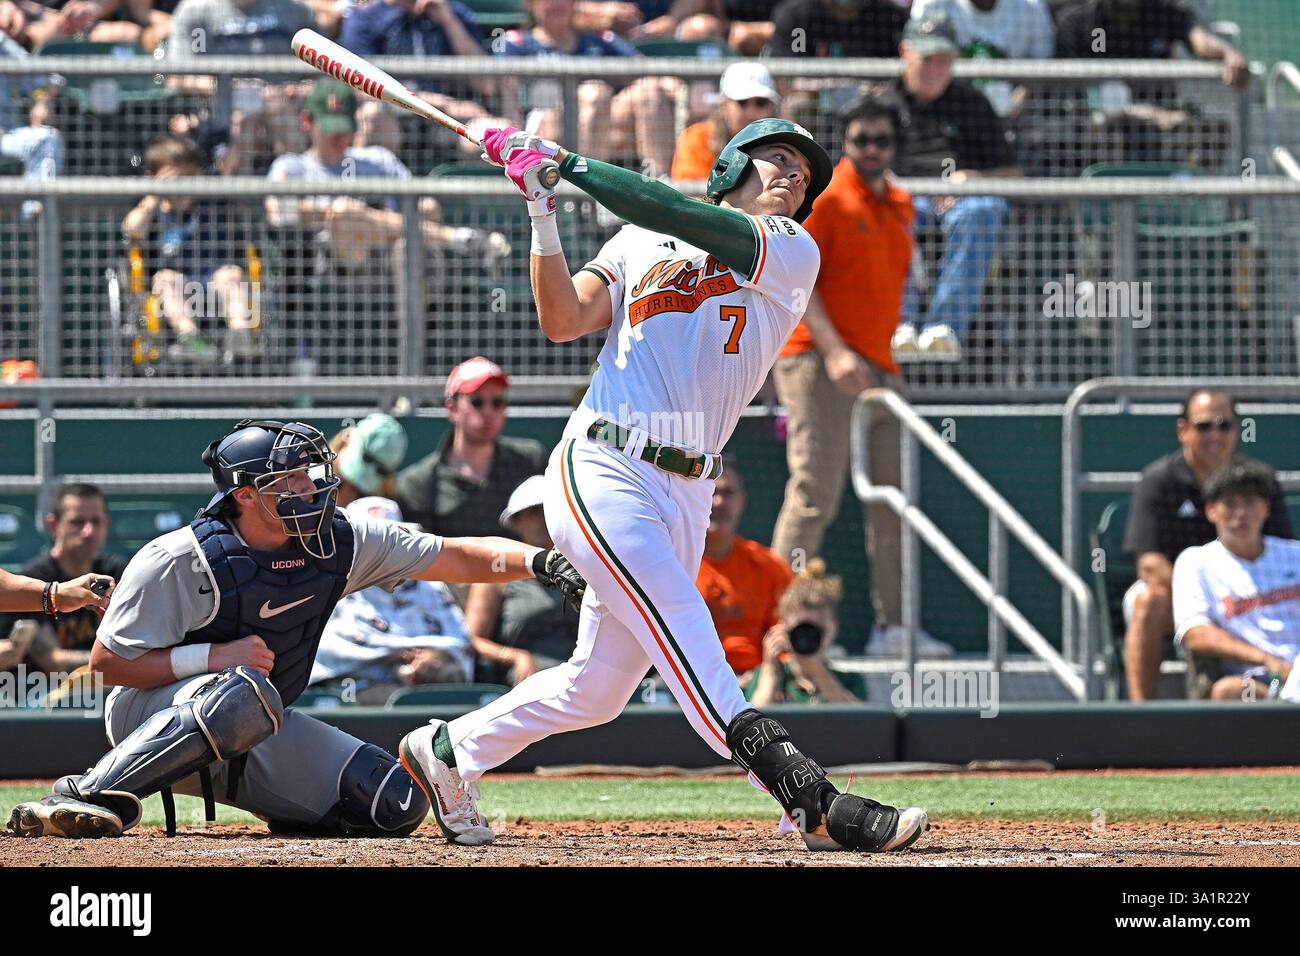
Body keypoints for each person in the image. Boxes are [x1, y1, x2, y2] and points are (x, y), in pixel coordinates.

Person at [395, 116, 928, 852]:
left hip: (690, 488)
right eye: (774, 159)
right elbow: (562, 320)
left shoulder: (789, 250)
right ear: (729, 166)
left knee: (598, 688)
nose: (791, 176)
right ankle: (806, 795)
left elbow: (666, 208)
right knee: (686, 625)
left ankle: (453, 749)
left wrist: (566, 162)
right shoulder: (636, 242)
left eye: (803, 175)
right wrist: (540, 209)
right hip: (605, 463)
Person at [6, 418, 586, 839]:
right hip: (150, 716)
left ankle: (277, 807)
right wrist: (211, 657)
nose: (310, 489)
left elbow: (455, 555)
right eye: (290, 482)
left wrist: (540, 561)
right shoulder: (178, 559)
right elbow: (109, 667)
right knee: (243, 687)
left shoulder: (342, 540)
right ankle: (84, 795)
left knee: (393, 803)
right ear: (245, 494)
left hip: (257, 721)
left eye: (310, 476)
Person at [770, 96, 913, 647]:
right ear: (846, 145)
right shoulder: (826, 199)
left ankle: (895, 628)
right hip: (817, 362)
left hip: (881, 366)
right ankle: (778, 623)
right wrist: (833, 351)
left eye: (882, 140)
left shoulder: (902, 202)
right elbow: (796, 280)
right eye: (860, 140)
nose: (872, 150)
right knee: (813, 494)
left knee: (893, 502)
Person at [1121, 388, 1293, 701]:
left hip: (1253, 599)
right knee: (1147, 602)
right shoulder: (1158, 481)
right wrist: (1208, 596)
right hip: (1182, 591)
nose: (1215, 434)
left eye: (1224, 425)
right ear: (1182, 430)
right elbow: (1149, 563)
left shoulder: (1258, 479)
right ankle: (1140, 716)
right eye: (1204, 426)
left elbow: (1282, 556)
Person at [265, 81, 509, 283]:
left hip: (387, 266)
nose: (339, 137)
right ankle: (458, 238)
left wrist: (375, 219)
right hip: (335, 270)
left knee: (409, 239)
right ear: (307, 122)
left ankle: (410, 339)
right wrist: (345, 214)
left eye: (344, 128)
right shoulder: (291, 166)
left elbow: (428, 208)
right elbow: (278, 212)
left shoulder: (376, 160)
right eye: (330, 129)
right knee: (344, 214)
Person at [886, 10, 1019, 358]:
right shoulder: (883, 104)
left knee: (984, 207)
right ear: (906, 53)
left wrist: (973, 180)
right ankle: (900, 323)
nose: (934, 70)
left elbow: (1013, 175)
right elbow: (858, 172)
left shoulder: (972, 103)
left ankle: (943, 328)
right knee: (896, 209)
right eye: (927, 59)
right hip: (902, 200)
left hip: (962, 202)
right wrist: (908, 189)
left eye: (943, 61)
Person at [310, 497, 474, 704]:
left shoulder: (429, 585)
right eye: (373, 543)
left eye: (390, 542)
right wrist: (394, 653)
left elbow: (458, 640)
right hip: (353, 688)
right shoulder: (330, 583)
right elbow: (320, 648)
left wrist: (434, 656)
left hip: (426, 686)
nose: (382, 551)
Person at [1054, 0, 1249, 168]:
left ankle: (1180, 194)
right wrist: (1140, 112)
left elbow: (1201, 42)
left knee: (1213, 133)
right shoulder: (1078, 22)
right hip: (1101, 126)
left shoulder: (1164, 11)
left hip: (1162, 125)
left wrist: (1228, 53)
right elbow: (1079, 96)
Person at [494, 0, 676, 176]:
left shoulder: (597, 39)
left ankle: (660, 189)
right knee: (595, 93)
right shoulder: (516, 43)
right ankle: (586, 193)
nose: (557, 4)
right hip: (545, 125)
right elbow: (504, 94)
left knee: (649, 91)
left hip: (602, 126)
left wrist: (676, 87)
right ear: (531, 4)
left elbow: (647, 70)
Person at [121, 135, 258, 363]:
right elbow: (131, 229)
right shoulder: (151, 207)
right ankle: (191, 340)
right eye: (175, 176)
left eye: (189, 175)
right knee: (166, 280)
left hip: (213, 276)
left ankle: (240, 336)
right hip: (176, 279)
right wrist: (155, 195)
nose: (182, 183)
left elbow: (234, 164)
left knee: (232, 275)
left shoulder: (213, 200)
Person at [1173, 461, 1300, 701]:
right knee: (1228, 691)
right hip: (1261, 681)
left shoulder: (1295, 555)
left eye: (1250, 503)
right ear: (1211, 510)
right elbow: (1195, 633)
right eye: (1230, 504)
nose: (1240, 515)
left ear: (1265, 508)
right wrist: (1267, 660)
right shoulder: (1196, 562)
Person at [395, 357, 547, 539]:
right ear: (452, 408)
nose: (488, 411)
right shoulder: (419, 484)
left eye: (497, 402)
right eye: (477, 402)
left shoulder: (530, 461)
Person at [0, 483, 127, 676]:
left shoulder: (117, 573)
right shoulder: (31, 581)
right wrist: (119, 659)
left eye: (96, 521)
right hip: (43, 695)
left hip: (107, 688)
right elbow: (53, 661)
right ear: (53, 525)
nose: (88, 532)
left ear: (107, 524)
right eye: (77, 522)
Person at [465, 475, 580, 685]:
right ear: (516, 522)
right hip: (525, 680)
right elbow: (473, 638)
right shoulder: (495, 574)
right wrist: (516, 657)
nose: (545, 518)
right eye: (535, 511)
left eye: (552, 509)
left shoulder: (592, 568)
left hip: (589, 675)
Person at [695, 460, 791, 675]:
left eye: (728, 493)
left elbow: (785, 642)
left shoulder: (769, 566)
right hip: (692, 683)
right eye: (711, 491)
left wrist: (765, 676)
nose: (718, 502)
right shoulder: (674, 563)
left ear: (742, 502)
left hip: (760, 683)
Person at [748, 559, 865, 704]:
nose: (808, 637)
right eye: (802, 628)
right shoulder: (765, 676)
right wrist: (770, 672)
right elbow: (753, 722)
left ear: (833, 629)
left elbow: (857, 722)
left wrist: (819, 672)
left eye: (817, 629)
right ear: (784, 628)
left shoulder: (849, 681)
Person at [671, 61, 778, 182]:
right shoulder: (698, 138)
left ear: (770, 107)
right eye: (742, 102)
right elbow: (690, 194)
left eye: (761, 102)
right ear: (724, 106)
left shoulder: (784, 143)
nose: (751, 113)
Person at [768, 0, 907, 58]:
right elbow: (785, 80)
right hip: (811, 106)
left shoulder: (892, 18)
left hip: (871, 107)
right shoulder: (796, 17)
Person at [329, 412, 409, 508]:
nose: (349, 497)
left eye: (360, 493)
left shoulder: (392, 509)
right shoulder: (310, 470)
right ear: (347, 436)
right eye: (337, 484)